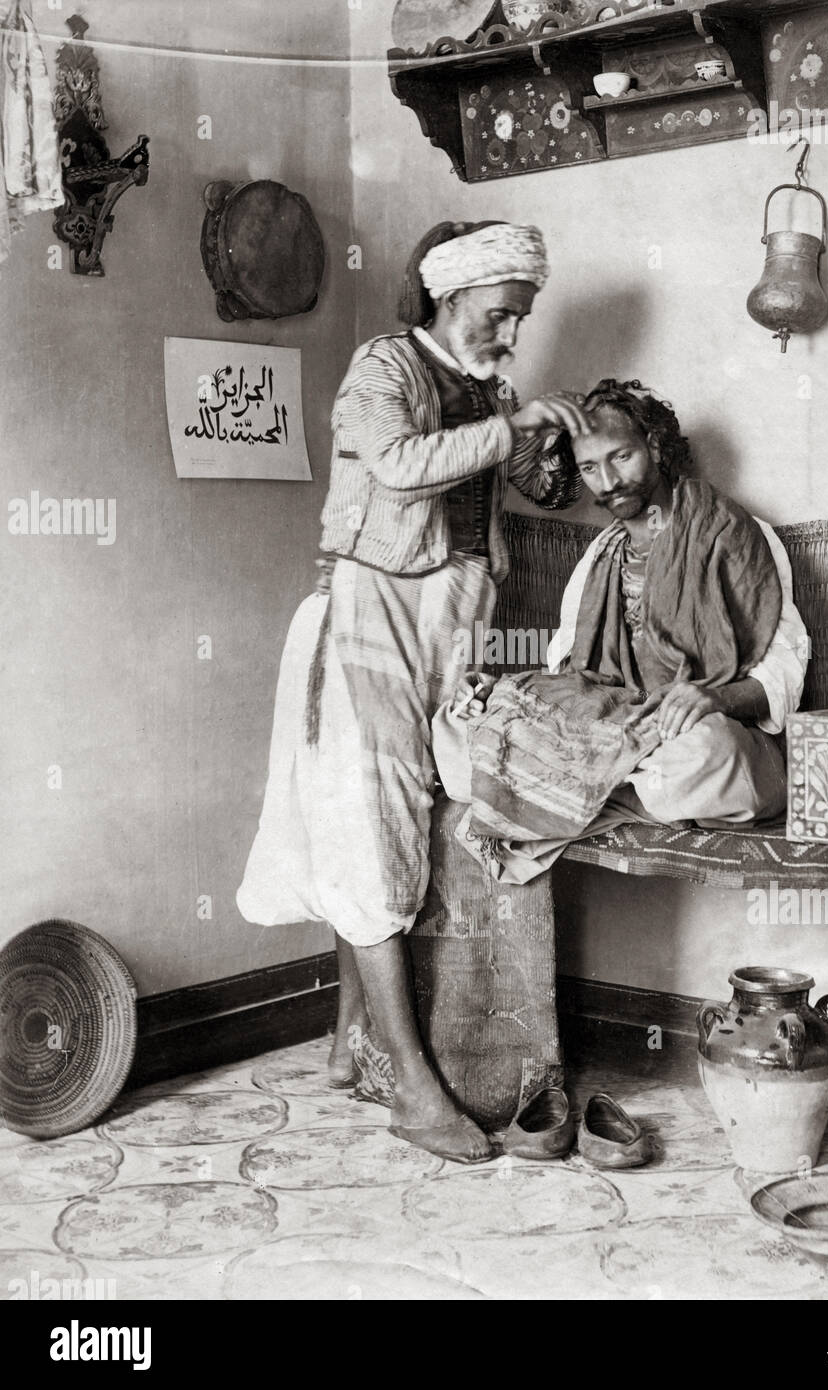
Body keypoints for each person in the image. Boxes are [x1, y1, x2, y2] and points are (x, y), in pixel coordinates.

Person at [236, 221, 591, 1163]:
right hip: (371, 618)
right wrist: (510, 427)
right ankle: (415, 1091)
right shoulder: (382, 365)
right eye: (500, 314)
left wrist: (557, 444)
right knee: (372, 828)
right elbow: (395, 465)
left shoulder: (489, 391)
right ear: (449, 292)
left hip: (456, 619)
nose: (510, 335)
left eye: (520, 319)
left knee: (415, 818)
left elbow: (527, 484)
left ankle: (358, 1047)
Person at [433, 378, 809, 880]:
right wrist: (504, 694)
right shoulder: (601, 555)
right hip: (615, 733)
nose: (608, 481)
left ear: (654, 446)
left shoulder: (736, 534)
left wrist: (715, 700)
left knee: (707, 757)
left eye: (621, 457)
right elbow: (569, 674)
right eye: (590, 467)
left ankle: (554, 797)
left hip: (689, 735)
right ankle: (600, 792)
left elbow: (785, 669)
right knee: (457, 729)